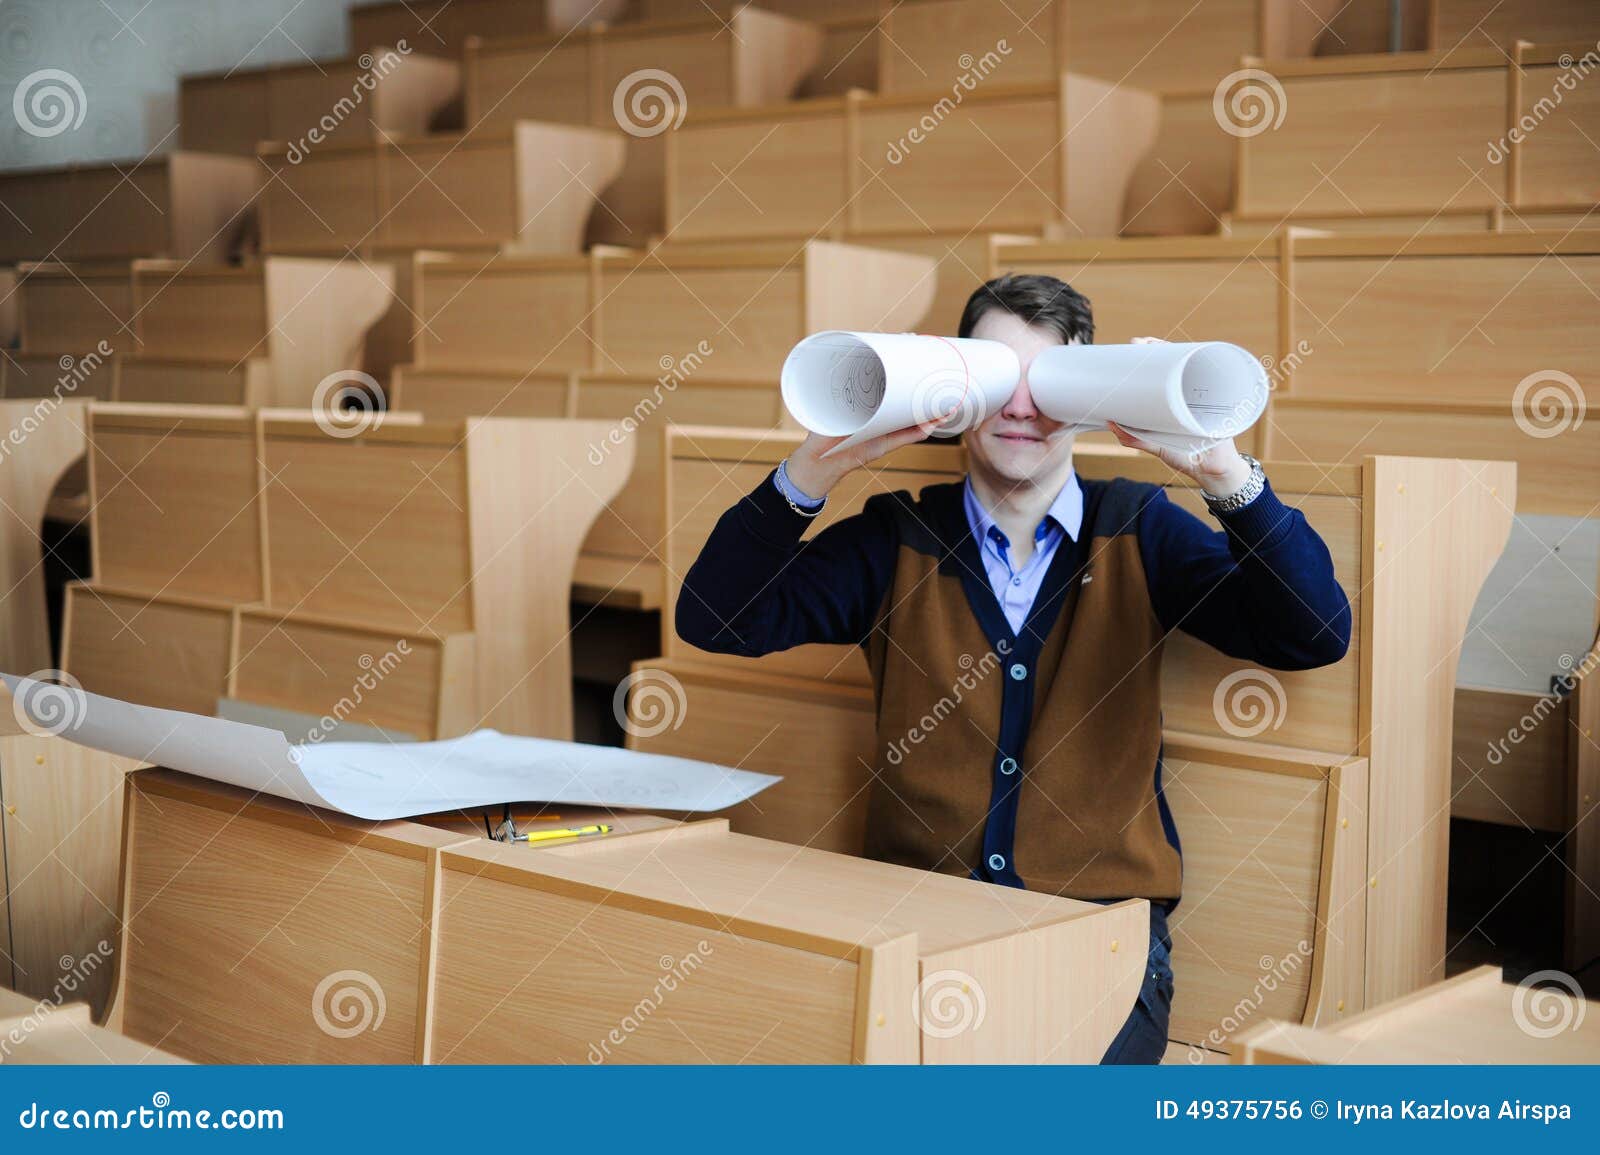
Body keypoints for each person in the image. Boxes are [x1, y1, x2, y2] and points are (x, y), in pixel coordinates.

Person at [675, 274, 1352, 1064]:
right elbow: (716, 619)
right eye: (997, 377)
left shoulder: (1139, 532)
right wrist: (816, 467)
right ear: (959, 385)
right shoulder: (895, 538)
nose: (1022, 407)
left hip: (1099, 935)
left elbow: (1313, 631)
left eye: (1052, 381)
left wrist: (1225, 476)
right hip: (915, 923)